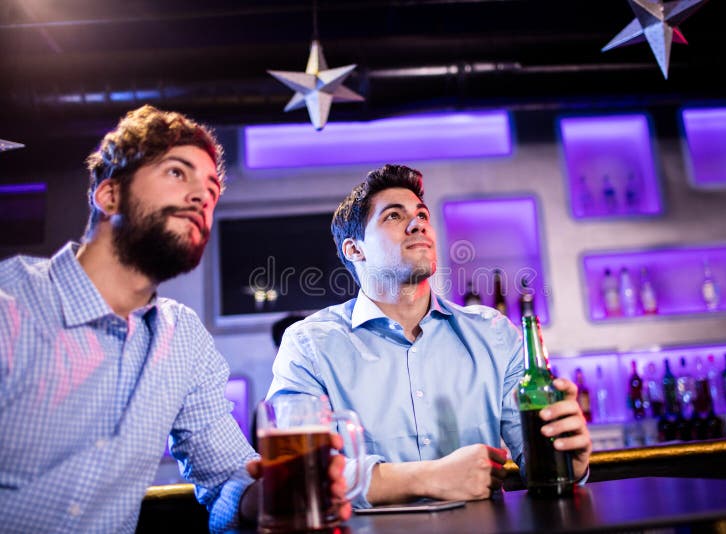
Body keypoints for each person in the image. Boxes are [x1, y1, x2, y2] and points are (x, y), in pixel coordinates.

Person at [0, 105, 349, 533]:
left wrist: (275, 492)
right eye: (177, 173)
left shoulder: (183, 338)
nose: (203, 197)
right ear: (109, 195)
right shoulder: (10, 306)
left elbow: (227, 482)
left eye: (212, 189)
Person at [267, 164, 592, 508]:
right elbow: (295, 475)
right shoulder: (309, 344)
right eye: (393, 216)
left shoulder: (494, 334)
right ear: (354, 250)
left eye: (422, 214)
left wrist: (569, 453)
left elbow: (538, 465)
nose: (417, 223)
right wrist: (431, 477)